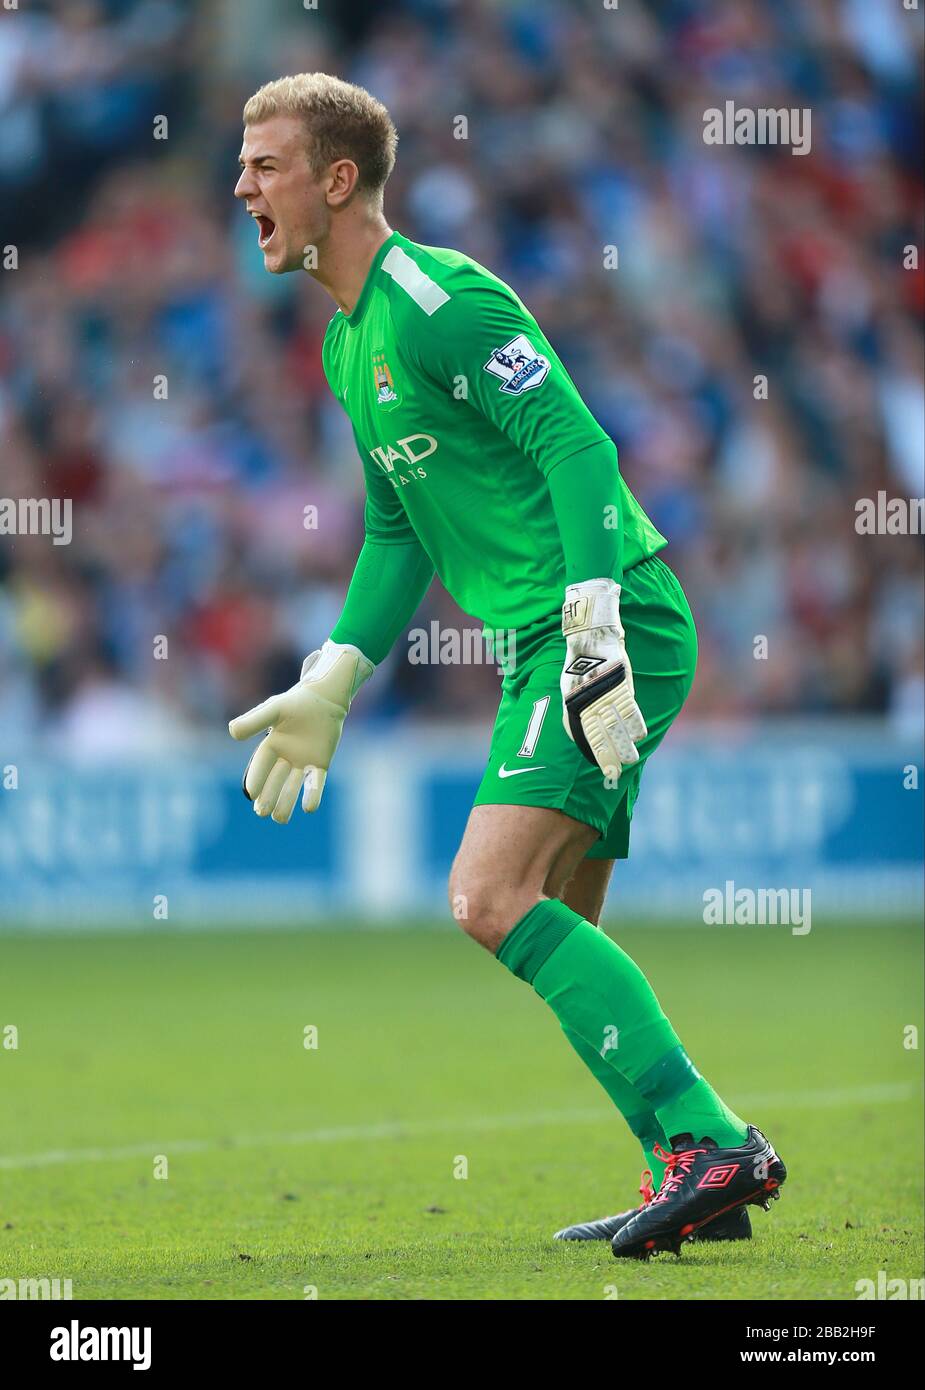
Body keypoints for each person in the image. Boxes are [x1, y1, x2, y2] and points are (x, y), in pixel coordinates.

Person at [229, 72, 786, 1258]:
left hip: (602, 613)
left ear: (336, 181)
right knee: (563, 912)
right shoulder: (346, 345)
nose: (242, 187)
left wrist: (590, 625)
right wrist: (333, 676)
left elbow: (576, 445)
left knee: (487, 896)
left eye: (264, 165)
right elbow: (395, 531)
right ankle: (695, 1175)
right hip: (551, 630)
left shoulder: (434, 299)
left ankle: (713, 1143)